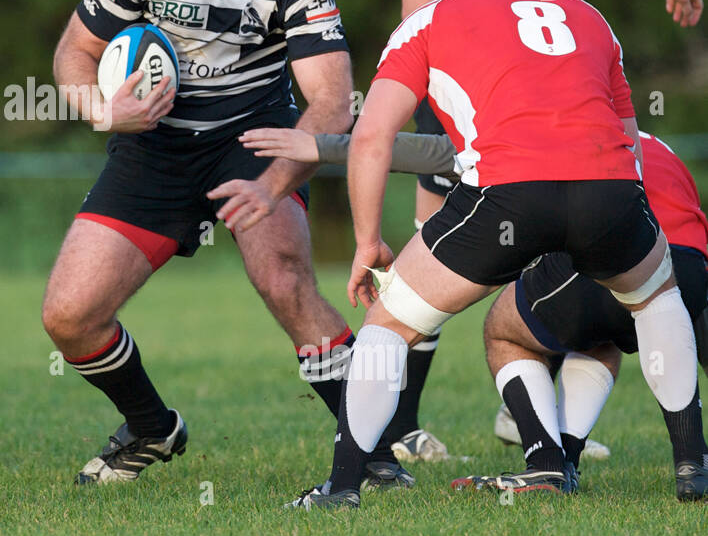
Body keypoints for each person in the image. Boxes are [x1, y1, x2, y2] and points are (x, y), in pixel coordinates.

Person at [289, 0, 708, 509]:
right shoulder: (588, 18)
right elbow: (629, 140)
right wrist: (618, 227)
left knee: (389, 325)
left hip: (509, 191)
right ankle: (692, 468)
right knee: (657, 298)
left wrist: (365, 244)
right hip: (610, 191)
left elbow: (373, 137)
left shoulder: (430, 20)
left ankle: (343, 487)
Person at [40, 0, 406, 487]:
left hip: (253, 140)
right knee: (69, 316)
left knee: (283, 277)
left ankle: (371, 451)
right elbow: (73, 50)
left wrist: (272, 186)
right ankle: (153, 427)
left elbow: (331, 103)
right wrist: (102, 111)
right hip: (153, 146)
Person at [391, 0, 703, 462]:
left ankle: (524, 413)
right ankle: (401, 426)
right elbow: (418, 0)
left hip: (559, 82)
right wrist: (441, 101)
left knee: (570, 236)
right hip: (479, 88)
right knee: (429, 251)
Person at [241, 126, 707, 482]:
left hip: (610, 259)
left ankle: (547, 461)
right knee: (599, 334)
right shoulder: (650, 142)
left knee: (506, 332)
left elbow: (419, 150)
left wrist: (322, 146)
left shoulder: (534, 127)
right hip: (686, 272)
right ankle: (689, 464)